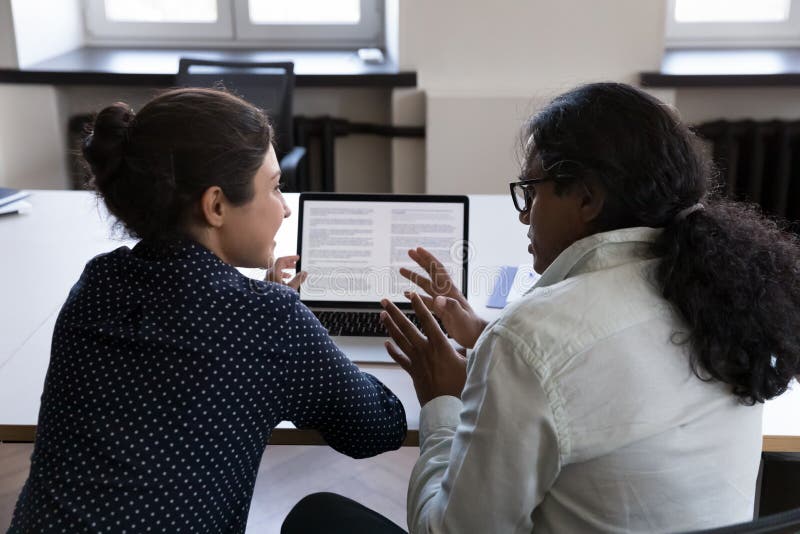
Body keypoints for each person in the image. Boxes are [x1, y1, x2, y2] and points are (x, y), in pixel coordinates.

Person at [281, 82, 800, 533]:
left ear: (587, 199)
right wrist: (486, 335)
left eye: (531, 190)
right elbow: (594, 371)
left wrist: (441, 400)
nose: (524, 215)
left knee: (317, 516)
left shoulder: (533, 336)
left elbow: (450, 532)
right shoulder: (721, 294)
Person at [9, 88, 407, 533]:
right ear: (216, 205)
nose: (285, 208)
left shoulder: (96, 284)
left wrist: (267, 308)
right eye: (275, 187)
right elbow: (379, 427)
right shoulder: (268, 320)